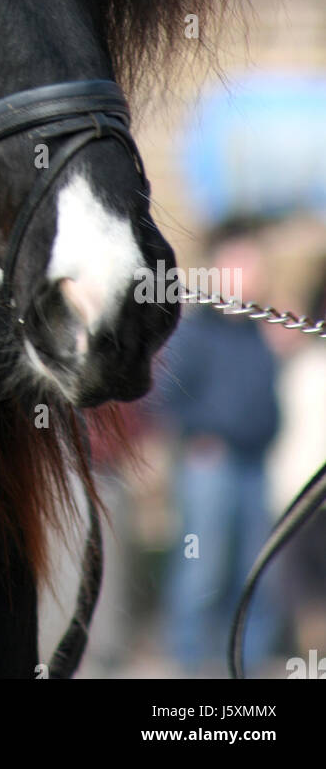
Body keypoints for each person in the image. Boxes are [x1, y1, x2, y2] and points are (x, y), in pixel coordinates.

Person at [151, 217, 280, 674]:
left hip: (255, 464)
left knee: (256, 572)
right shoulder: (194, 330)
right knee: (202, 569)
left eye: (255, 264)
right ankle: (188, 663)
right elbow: (165, 397)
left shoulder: (259, 331)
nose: (252, 273)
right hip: (211, 464)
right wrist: (198, 437)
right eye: (242, 263)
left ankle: (245, 665)